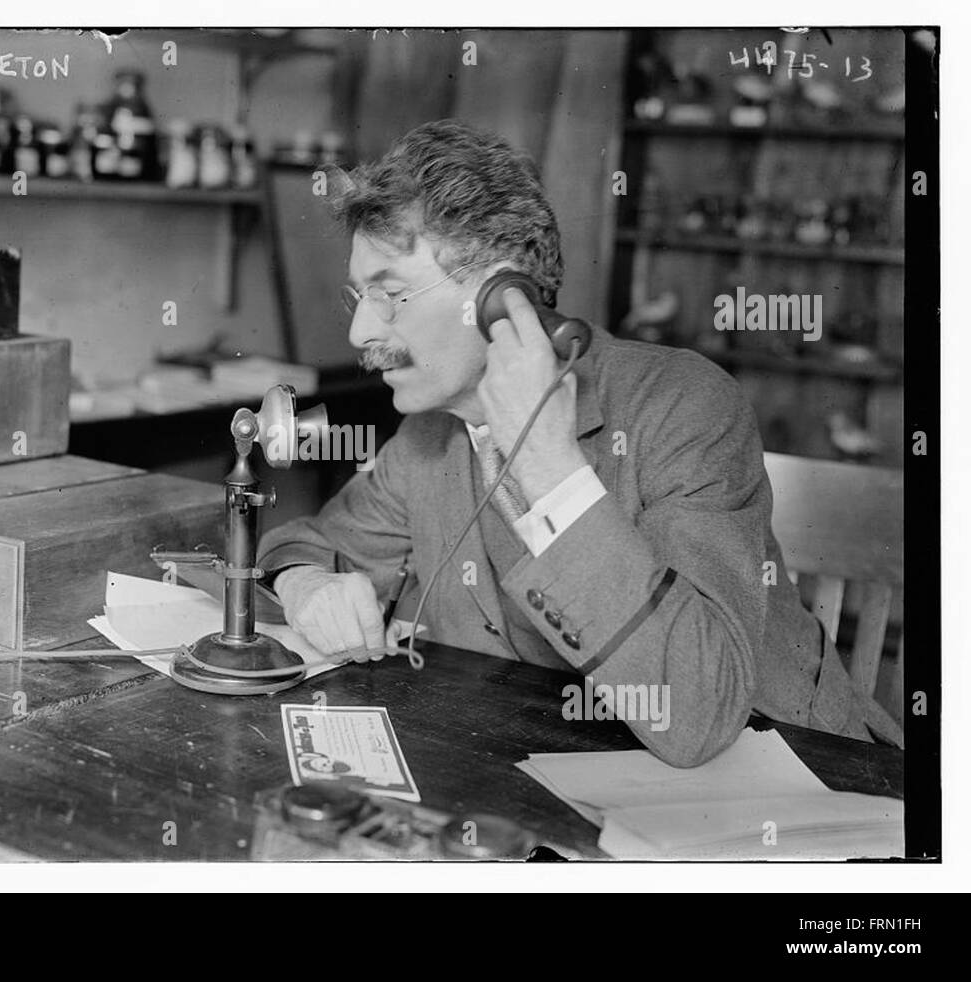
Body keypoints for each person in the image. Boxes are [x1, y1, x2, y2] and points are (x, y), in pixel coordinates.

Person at [258, 119, 902, 767]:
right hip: (551, 775)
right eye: (358, 297)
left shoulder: (682, 404)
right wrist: (307, 585)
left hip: (779, 781)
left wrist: (550, 470)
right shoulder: (430, 434)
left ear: (499, 298)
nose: (361, 331)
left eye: (390, 294)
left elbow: (700, 714)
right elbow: (305, 543)